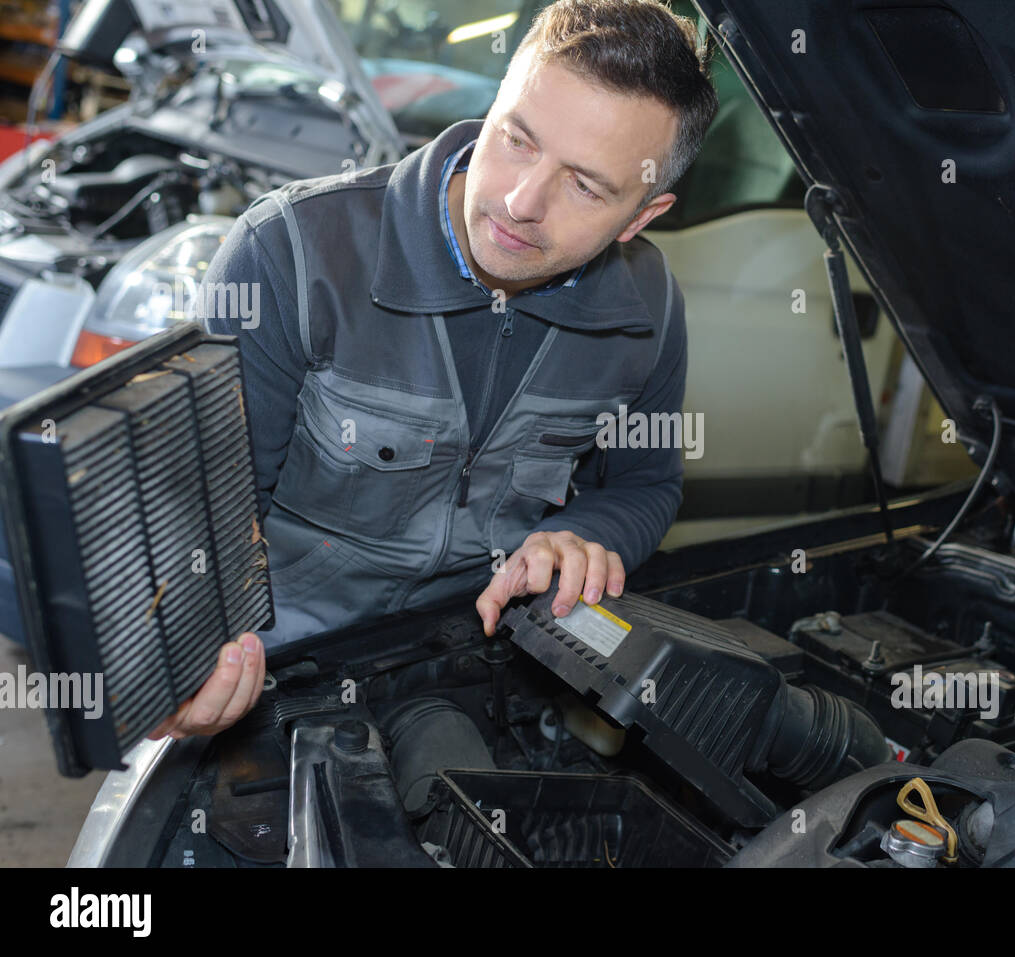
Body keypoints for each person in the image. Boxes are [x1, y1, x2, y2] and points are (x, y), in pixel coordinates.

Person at [147, 0, 718, 741]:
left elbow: (645, 485)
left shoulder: (650, 305)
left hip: (478, 669)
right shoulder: (290, 254)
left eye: (584, 186)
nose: (520, 201)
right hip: (277, 669)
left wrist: (580, 535)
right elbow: (198, 514)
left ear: (642, 215)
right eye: (516, 139)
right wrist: (186, 656)